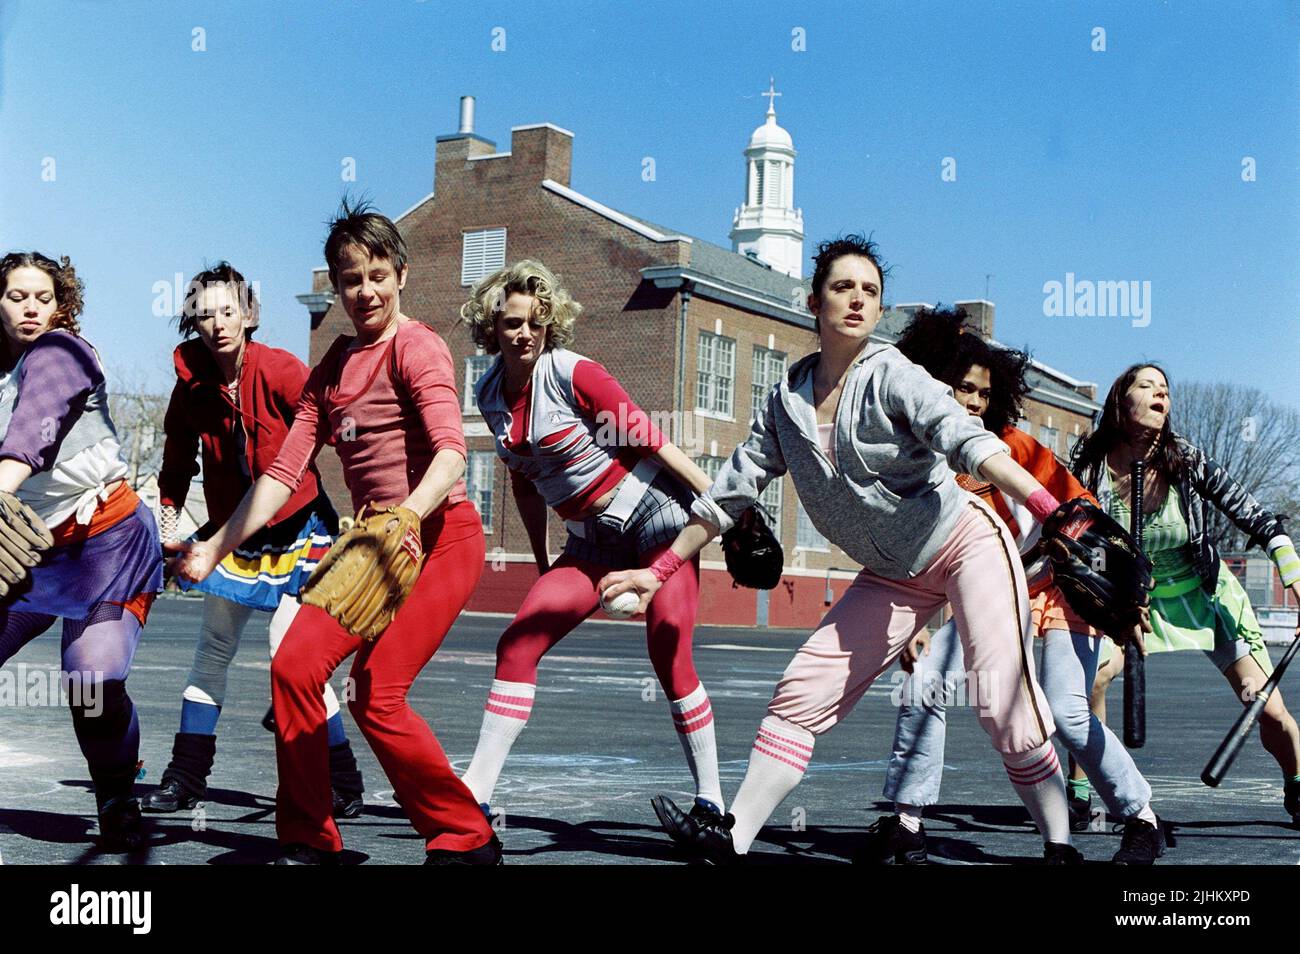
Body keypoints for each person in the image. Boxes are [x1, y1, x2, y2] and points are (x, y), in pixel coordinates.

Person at [603, 235, 1084, 864]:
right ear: (813, 300)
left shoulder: (893, 375)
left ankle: (1059, 847)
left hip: (964, 542)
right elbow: (729, 494)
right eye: (842, 287)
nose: (857, 300)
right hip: (891, 573)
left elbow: (966, 439)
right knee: (800, 692)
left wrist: (1050, 508)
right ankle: (732, 841)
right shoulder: (784, 402)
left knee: (1000, 703)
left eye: (870, 291)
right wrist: (657, 571)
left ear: (880, 309)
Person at [172, 200, 498, 864]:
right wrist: (214, 545)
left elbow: (451, 451)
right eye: (352, 279)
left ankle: (465, 836)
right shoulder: (334, 366)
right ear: (336, 284)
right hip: (375, 543)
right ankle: (309, 840)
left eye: (378, 274)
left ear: (401, 274)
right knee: (294, 663)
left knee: (379, 695)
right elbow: (283, 472)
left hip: (441, 538)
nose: (366, 291)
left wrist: (409, 513)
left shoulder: (418, 346)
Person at [860, 307, 1166, 866]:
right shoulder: (919, 464)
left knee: (1066, 712)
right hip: (990, 595)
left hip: (1057, 588)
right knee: (925, 682)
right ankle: (906, 822)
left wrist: (1126, 597)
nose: (973, 402)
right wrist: (914, 624)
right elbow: (922, 558)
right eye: (962, 388)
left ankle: (1141, 819)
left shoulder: (1016, 449)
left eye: (982, 392)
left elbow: (1085, 515)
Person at [457, 260, 721, 826]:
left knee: (670, 658)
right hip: (588, 542)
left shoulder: (574, 372)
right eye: (510, 323)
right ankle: (473, 798)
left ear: (550, 323)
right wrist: (540, 561)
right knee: (517, 643)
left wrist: (724, 505)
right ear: (490, 328)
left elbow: (652, 441)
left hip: (658, 520)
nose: (523, 333)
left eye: (534, 321)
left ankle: (712, 804)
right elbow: (524, 482)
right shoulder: (487, 395)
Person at [144, 262, 364, 818]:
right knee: (212, 651)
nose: (217, 322)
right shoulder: (190, 384)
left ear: (249, 315)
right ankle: (186, 777)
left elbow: (333, 428)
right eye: (204, 313)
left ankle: (343, 781)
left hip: (300, 529)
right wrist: (167, 524)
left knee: (291, 653)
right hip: (229, 537)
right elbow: (176, 461)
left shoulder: (280, 369)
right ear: (191, 320)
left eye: (228, 310)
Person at [1070, 363, 1300, 828]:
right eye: (1147, 385)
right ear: (1122, 400)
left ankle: (1297, 783)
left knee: (1267, 707)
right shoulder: (1091, 464)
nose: (1160, 394)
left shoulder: (1187, 460)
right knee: (1091, 682)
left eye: (1166, 389)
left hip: (1203, 600)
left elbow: (1256, 517)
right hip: (1136, 604)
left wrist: (1293, 574)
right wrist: (1106, 588)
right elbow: (1075, 535)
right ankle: (1079, 790)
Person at [0, 251, 163, 850]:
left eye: (43, 297)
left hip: (105, 545)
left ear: (61, 305)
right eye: (17, 296)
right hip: (29, 552)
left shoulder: (62, 353)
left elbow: (31, 431)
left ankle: (118, 788)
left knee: (91, 681)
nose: (31, 307)